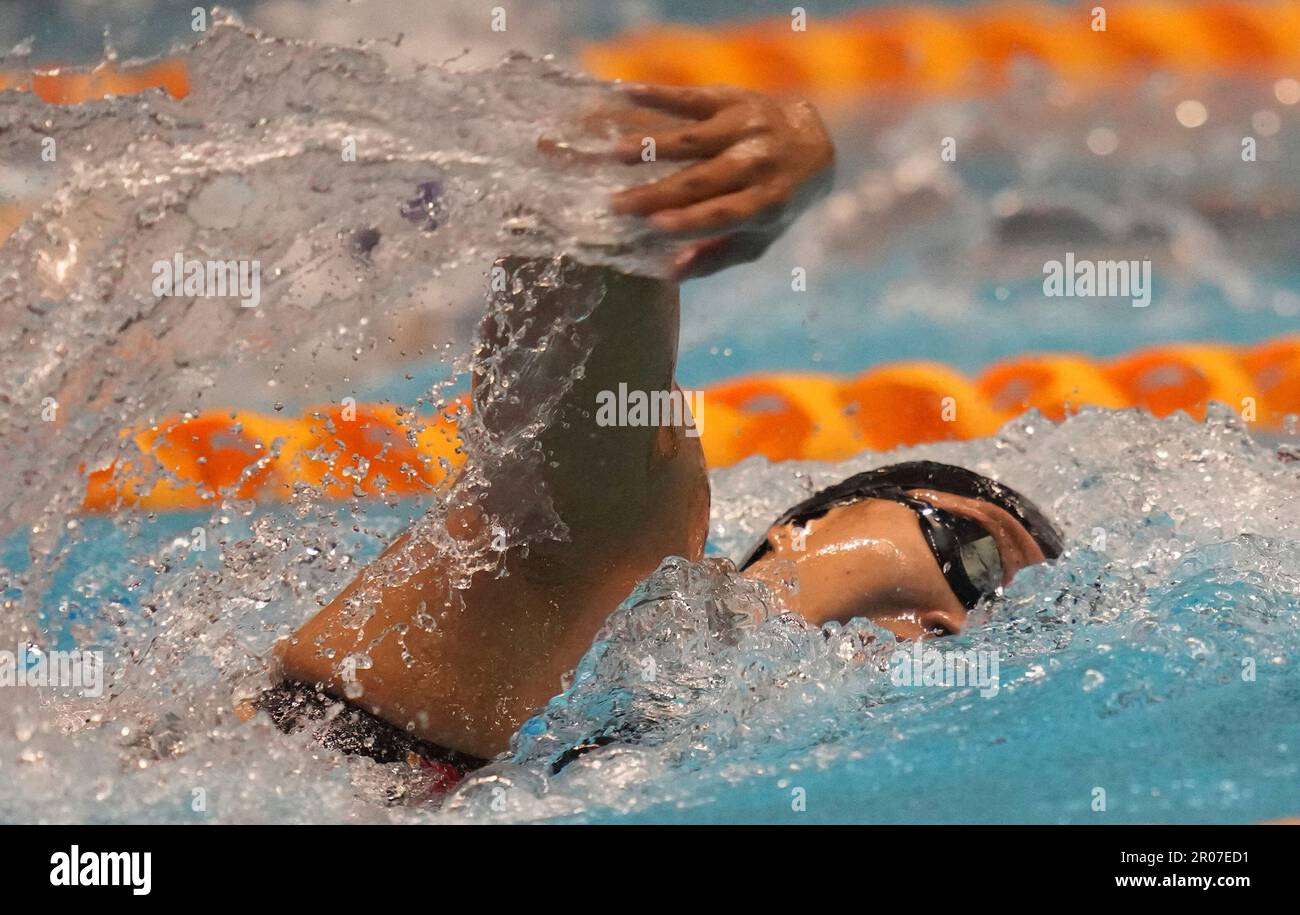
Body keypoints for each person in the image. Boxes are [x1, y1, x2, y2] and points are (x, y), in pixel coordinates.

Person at [254, 84, 1063, 791]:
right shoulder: (631, 536)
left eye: (1004, 620)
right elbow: (581, 185)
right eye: (977, 557)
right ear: (805, 528)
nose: (965, 623)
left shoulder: (666, 750)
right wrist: (741, 150)